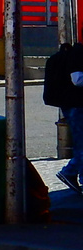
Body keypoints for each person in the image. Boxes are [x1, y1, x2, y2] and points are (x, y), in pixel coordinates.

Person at [48, 44, 83, 195]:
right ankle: (69, 171)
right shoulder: (79, 53)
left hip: (75, 105)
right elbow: (77, 79)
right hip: (76, 105)